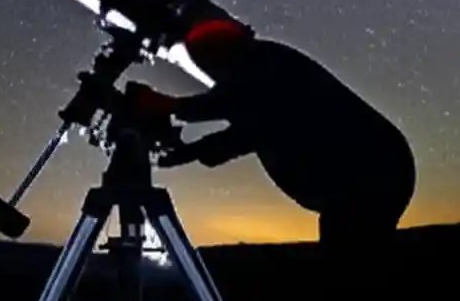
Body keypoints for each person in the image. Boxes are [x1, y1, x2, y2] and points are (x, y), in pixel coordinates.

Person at [130, 17, 417, 256]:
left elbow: (231, 113)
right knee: (354, 255)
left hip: (373, 173)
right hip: (375, 173)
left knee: (351, 259)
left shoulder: (263, 67)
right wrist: (186, 150)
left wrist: (166, 106)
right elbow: (244, 131)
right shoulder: (262, 64)